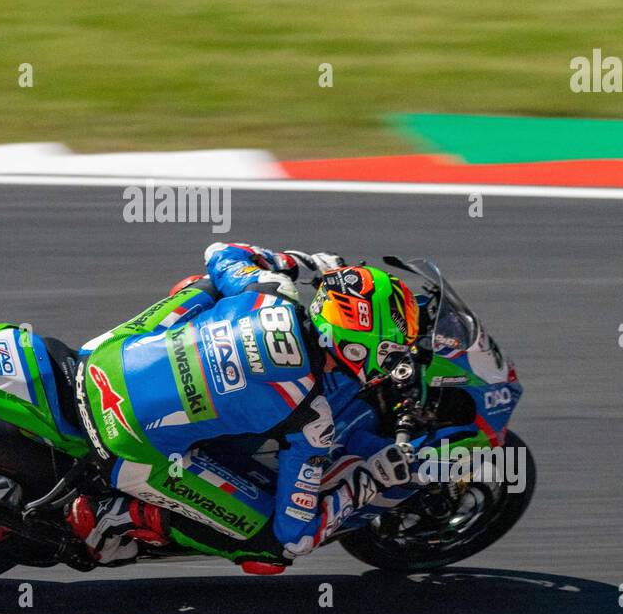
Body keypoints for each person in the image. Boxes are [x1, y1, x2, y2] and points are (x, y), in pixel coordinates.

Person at [68, 242, 427, 573]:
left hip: (100, 361)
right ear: (355, 345)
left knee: (206, 284)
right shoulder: (311, 416)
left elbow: (220, 251)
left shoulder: (270, 294)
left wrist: (298, 263)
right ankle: (118, 516)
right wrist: (371, 478)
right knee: (272, 550)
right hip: (125, 446)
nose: (393, 360)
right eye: (390, 350)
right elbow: (296, 536)